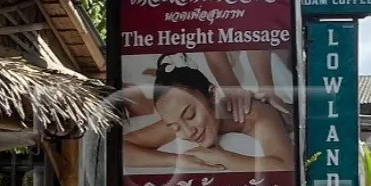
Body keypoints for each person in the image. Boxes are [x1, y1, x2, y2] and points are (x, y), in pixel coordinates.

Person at [121, 56, 295, 174]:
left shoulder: (254, 114)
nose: (188, 132)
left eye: (190, 115)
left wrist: (223, 157)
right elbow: (120, 149)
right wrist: (176, 160)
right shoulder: (180, 119)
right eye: (174, 127)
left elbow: (286, 167)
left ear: (213, 96)